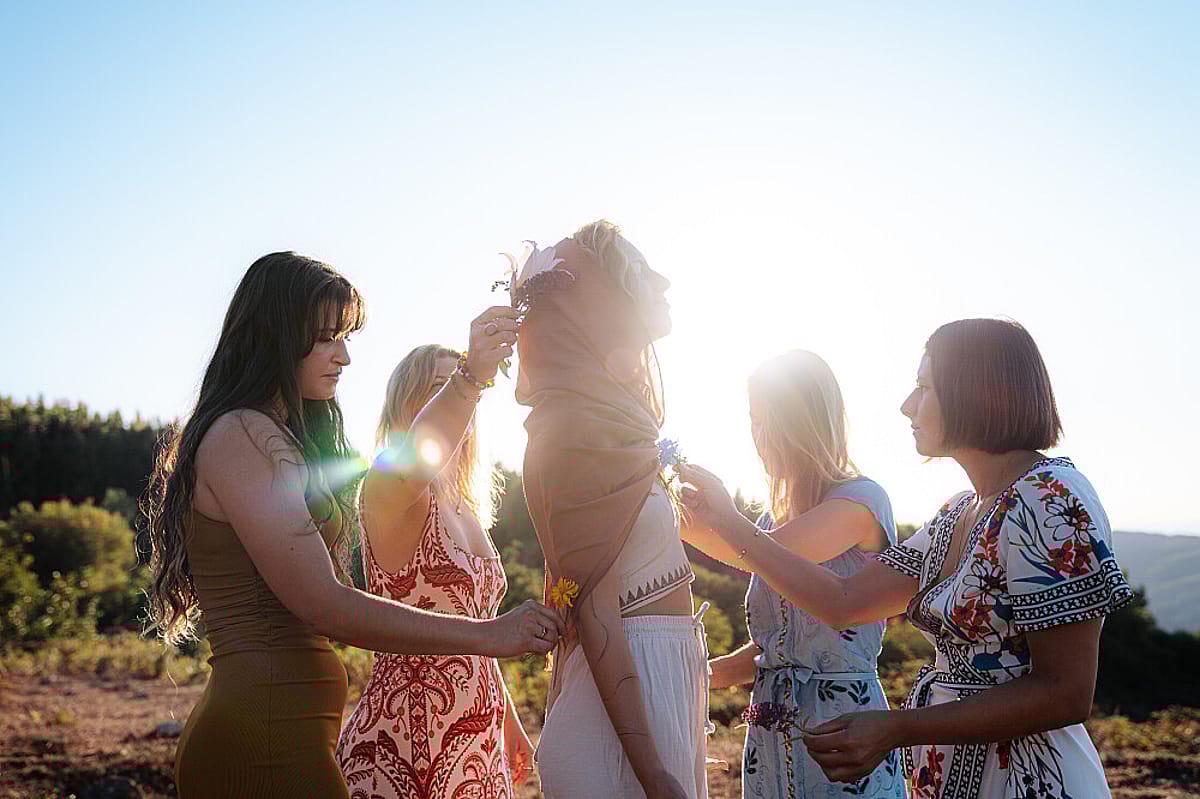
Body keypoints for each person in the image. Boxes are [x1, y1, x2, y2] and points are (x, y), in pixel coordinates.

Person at [145, 252, 564, 799]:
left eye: (345, 337)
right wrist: (489, 637)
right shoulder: (242, 435)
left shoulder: (271, 436)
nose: (343, 355)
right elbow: (325, 604)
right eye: (325, 337)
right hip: (260, 737)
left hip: (287, 730)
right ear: (273, 335)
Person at [680, 318, 1133, 798]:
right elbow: (844, 600)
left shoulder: (1050, 496)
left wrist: (898, 729)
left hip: (1029, 781)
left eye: (924, 387)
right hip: (948, 777)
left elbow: (1066, 692)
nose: (906, 405)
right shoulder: (959, 511)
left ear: (975, 392)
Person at [518, 221, 709, 799]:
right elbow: (598, 614)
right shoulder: (572, 431)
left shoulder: (615, 422)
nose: (662, 280)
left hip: (661, 679)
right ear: (596, 301)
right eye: (635, 272)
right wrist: (654, 776)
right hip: (621, 714)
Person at [683, 350, 906, 798]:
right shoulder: (766, 523)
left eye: (772, 420)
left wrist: (718, 516)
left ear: (808, 422)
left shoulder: (862, 501)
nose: (760, 436)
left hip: (841, 739)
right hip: (766, 745)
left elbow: (764, 553)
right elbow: (778, 647)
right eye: (754, 419)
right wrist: (695, 675)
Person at [337, 337, 537, 798]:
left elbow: (479, 630)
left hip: (477, 738)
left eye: (458, 385)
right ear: (405, 403)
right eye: (436, 387)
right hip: (408, 735)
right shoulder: (391, 482)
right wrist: (469, 378)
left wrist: (506, 719)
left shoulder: (465, 502)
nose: (455, 398)